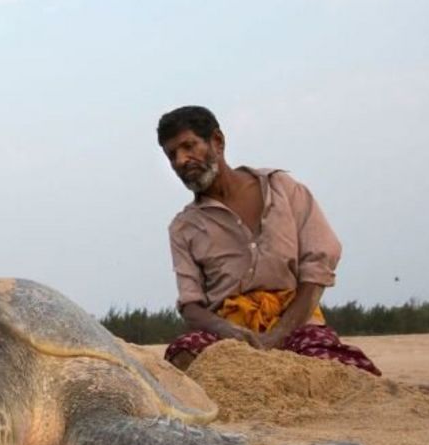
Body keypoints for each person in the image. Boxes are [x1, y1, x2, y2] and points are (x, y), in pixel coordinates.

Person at [156, 105, 381, 376]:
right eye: (172, 155)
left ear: (217, 141)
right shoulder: (184, 228)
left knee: (344, 369)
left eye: (189, 146)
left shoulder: (282, 189)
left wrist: (279, 334)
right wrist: (229, 332)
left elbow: (317, 271)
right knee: (182, 354)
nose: (181, 160)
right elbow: (191, 306)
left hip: (297, 325)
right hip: (228, 338)